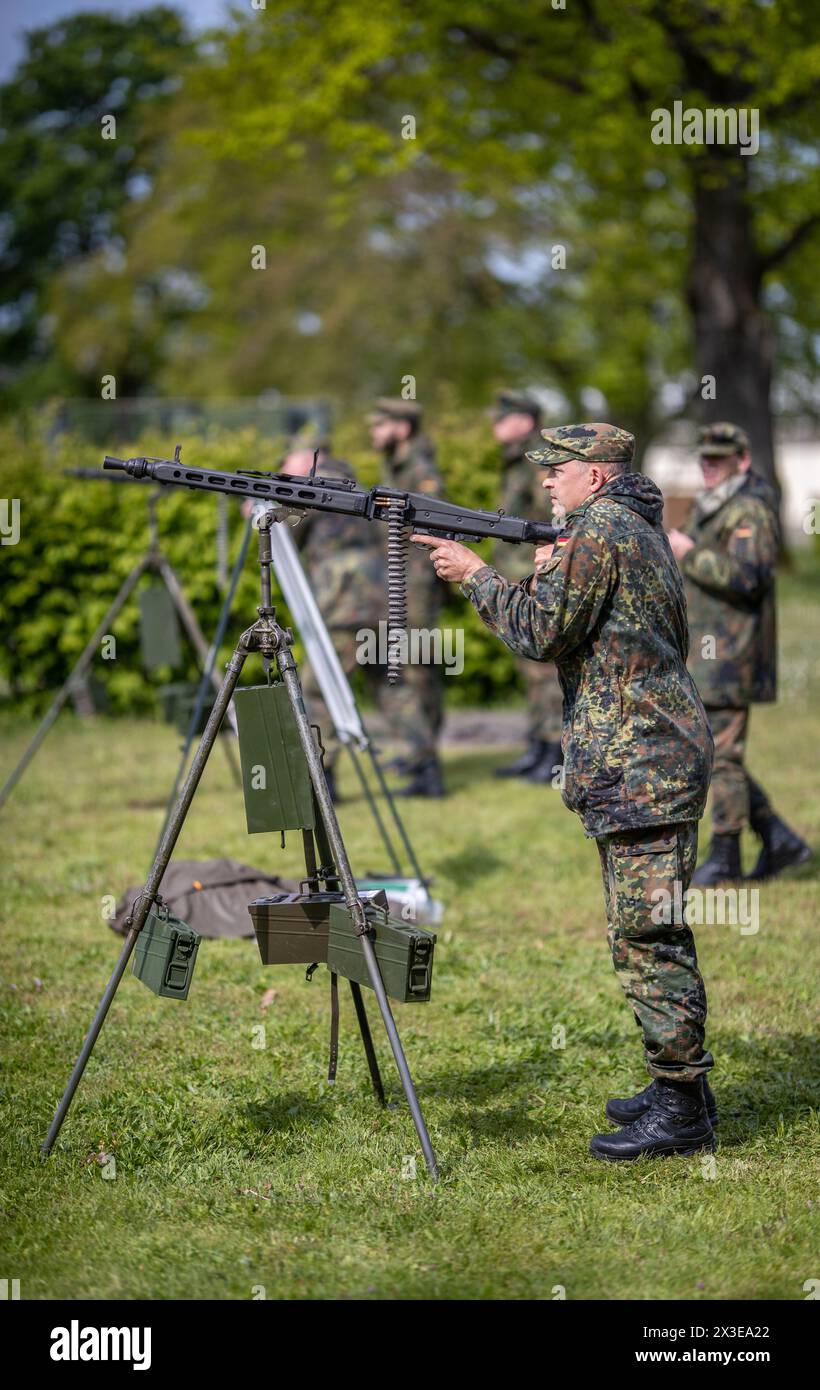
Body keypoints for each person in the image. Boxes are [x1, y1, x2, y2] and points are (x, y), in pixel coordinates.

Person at [412, 423, 717, 1161]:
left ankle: (682, 1109)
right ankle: (681, 1086)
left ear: (598, 476)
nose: (547, 480)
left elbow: (540, 632)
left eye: (560, 470)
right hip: (645, 757)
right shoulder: (625, 525)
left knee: (648, 935)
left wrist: (474, 575)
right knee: (643, 928)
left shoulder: (601, 531)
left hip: (644, 761)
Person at [668, 422, 810, 884]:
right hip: (708, 652)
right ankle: (778, 837)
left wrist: (688, 553)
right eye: (704, 458)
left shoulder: (749, 509)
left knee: (719, 756)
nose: (709, 467)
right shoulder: (715, 506)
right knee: (715, 752)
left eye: (719, 459)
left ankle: (726, 856)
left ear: (742, 460)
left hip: (732, 654)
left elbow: (749, 578)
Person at [244, 427, 384, 803]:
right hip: (380, 600)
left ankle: (322, 777)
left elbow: (285, 532)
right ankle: (424, 767)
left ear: (307, 461)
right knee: (393, 686)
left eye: (288, 468)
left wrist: (262, 512)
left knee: (319, 689)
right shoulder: (354, 482)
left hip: (342, 607)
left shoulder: (313, 490)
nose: (284, 475)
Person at [368, 397, 447, 797]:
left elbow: (435, 528)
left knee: (416, 666)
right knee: (410, 664)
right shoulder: (396, 466)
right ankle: (421, 756)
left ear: (402, 427)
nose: (373, 432)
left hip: (414, 584)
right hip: (398, 580)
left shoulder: (420, 470)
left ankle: (427, 766)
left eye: (380, 425)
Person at [490, 390, 564, 783]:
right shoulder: (514, 461)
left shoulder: (538, 461)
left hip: (536, 571)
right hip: (518, 571)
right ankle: (537, 744)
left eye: (504, 417)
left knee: (543, 668)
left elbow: (551, 516)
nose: (495, 424)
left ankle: (554, 751)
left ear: (525, 420)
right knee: (528, 666)